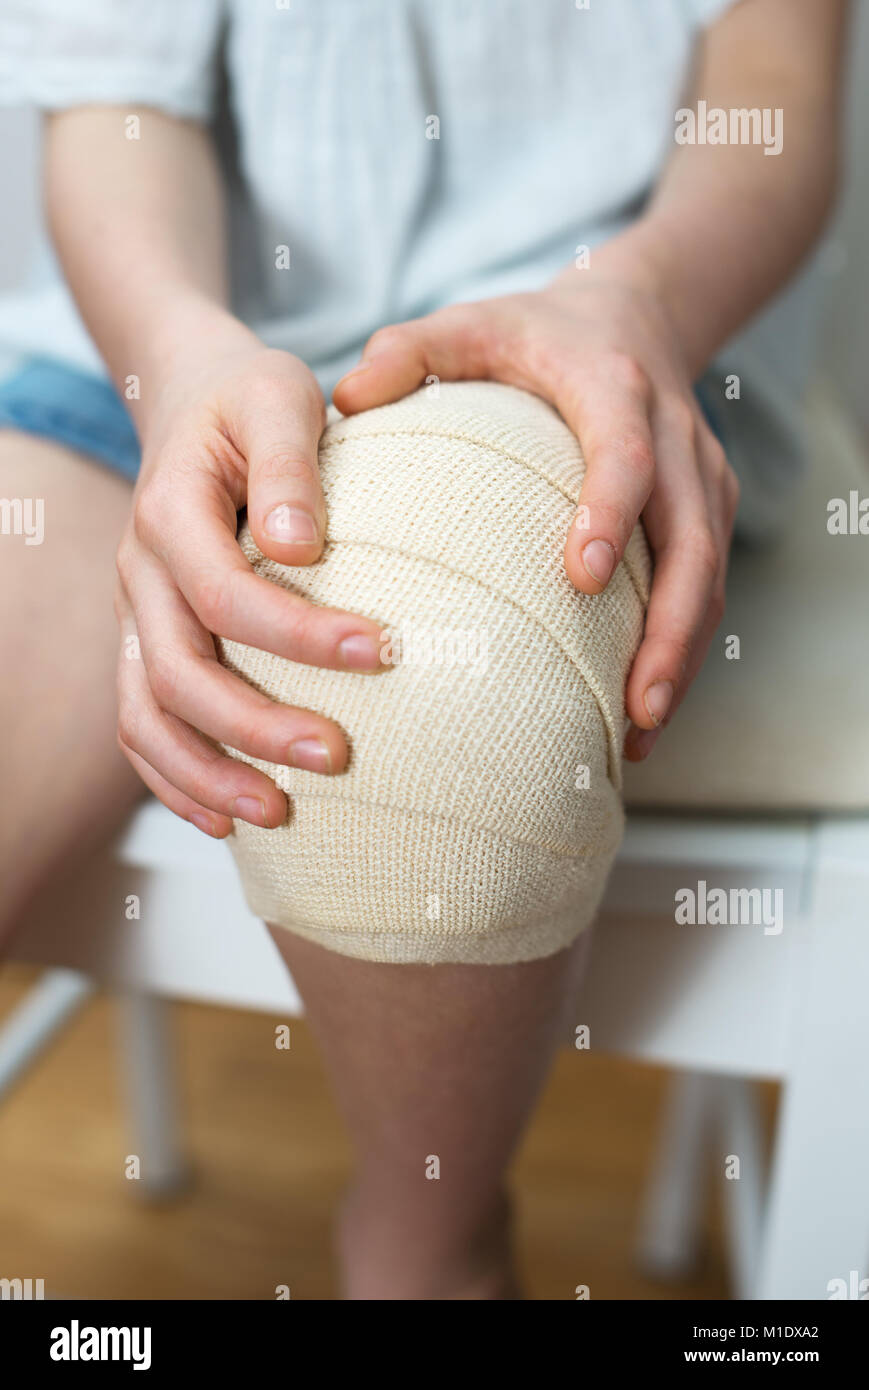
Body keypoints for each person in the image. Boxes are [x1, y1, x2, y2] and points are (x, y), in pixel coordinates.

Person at [0, 0, 848, 1299]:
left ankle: (431, 1245)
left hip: (578, 336)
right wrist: (174, 363)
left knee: (420, 700)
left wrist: (637, 295)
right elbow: (117, 99)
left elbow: (772, 78)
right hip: (158, 345)